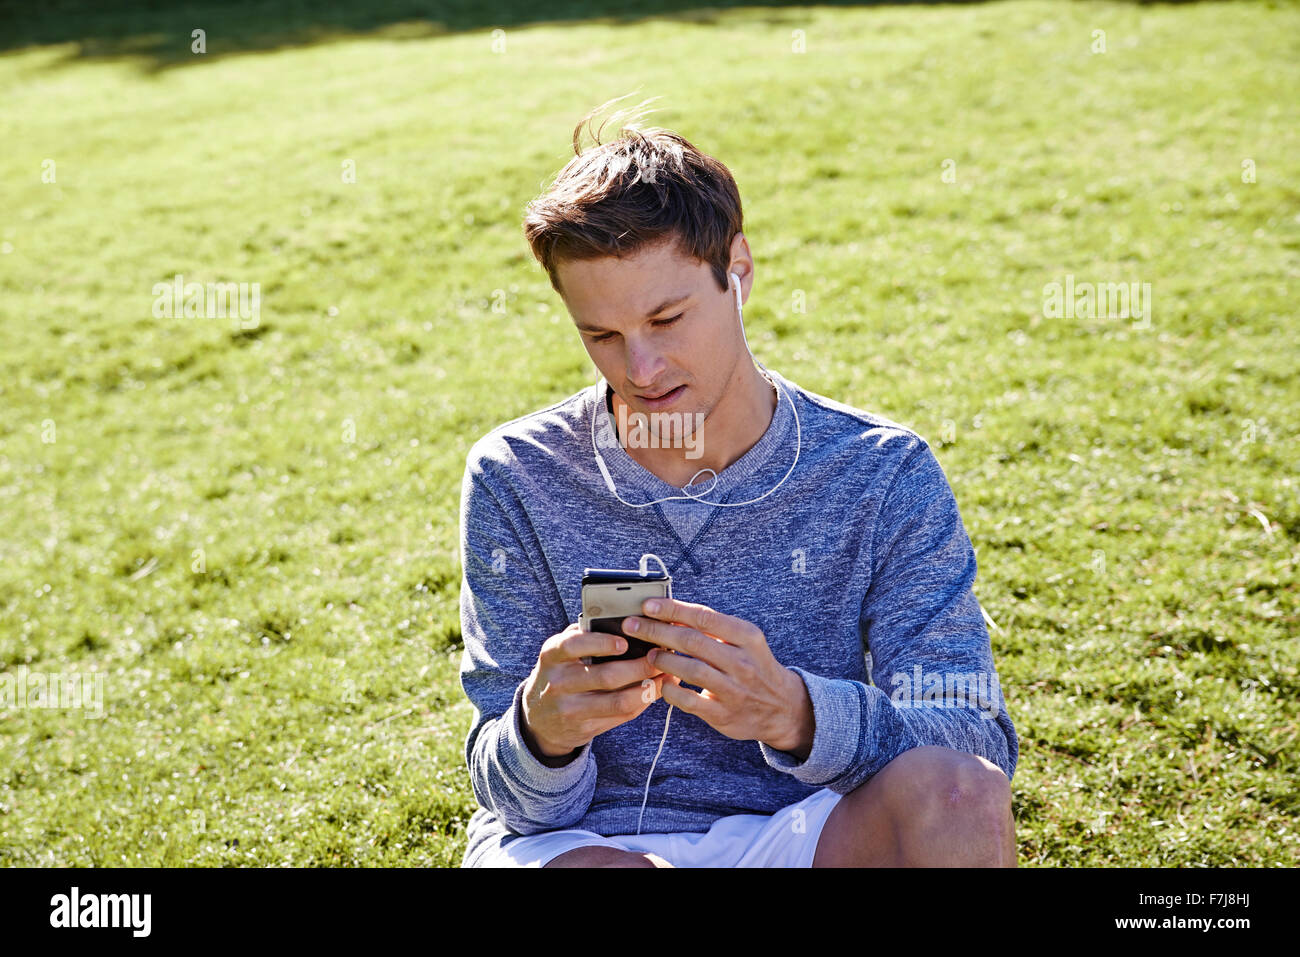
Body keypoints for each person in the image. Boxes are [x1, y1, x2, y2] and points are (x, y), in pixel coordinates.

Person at [457, 98, 1018, 867]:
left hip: (809, 828)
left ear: (739, 272)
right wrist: (539, 733)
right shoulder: (516, 474)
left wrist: (797, 714)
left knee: (959, 798)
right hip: (592, 842)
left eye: (668, 318)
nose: (641, 370)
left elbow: (970, 735)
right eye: (602, 335)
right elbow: (507, 794)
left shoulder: (882, 473)